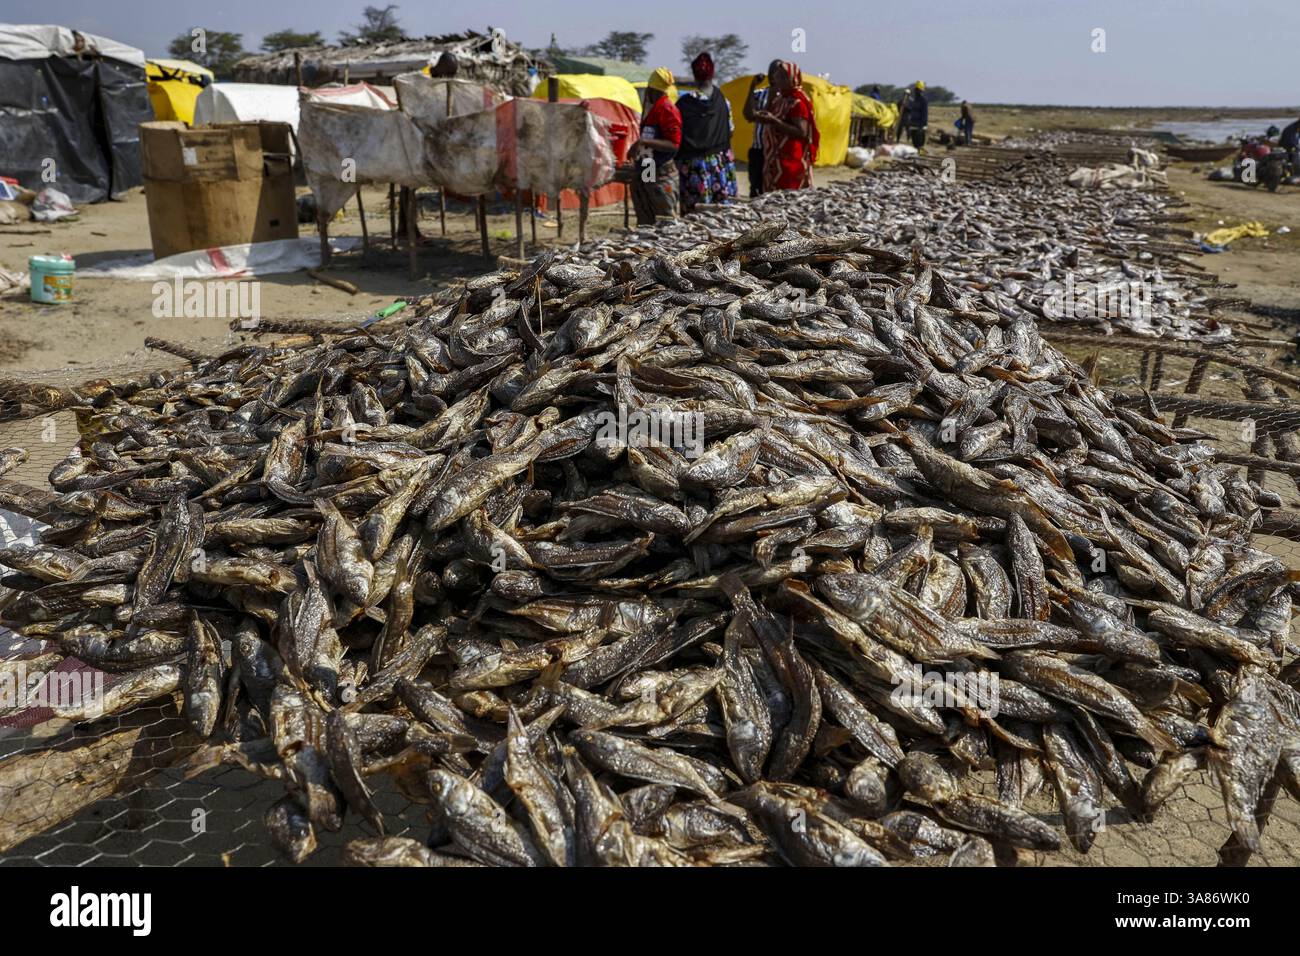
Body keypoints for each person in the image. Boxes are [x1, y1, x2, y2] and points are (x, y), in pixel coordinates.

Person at [676, 52, 738, 213]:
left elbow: (676, 135)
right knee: (723, 215)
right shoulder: (723, 100)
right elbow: (730, 130)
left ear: (695, 76)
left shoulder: (683, 103)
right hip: (720, 164)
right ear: (713, 74)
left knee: (696, 218)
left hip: (693, 166)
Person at [753, 60, 819, 192]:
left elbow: (801, 132)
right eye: (777, 77)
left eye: (783, 77)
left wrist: (775, 121)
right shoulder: (779, 99)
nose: (778, 80)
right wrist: (770, 101)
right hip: (775, 161)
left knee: (789, 197)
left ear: (793, 79)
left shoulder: (798, 102)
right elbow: (768, 116)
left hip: (790, 162)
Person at [628, 67, 682, 225]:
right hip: (648, 166)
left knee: (664, 218)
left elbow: (673, 144)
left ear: (652, 89)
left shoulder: (667, 109)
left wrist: (642, 142)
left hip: (661, 170)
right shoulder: (654, 108)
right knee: (646, 210)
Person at [743, 60, 780, 198]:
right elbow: (748, 114)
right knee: (755, 189)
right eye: (772, 72)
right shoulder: (761, 94)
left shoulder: (785, 97)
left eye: (778, 73)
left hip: (776, 152)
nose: (774, 76)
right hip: (758, 150)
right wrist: (752, 86)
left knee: (772, 191)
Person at [907, 81, 929, 150]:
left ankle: (920, 156)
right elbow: (912, 111)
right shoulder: (914, 100)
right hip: (913, 126)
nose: (917, 92)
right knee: (915, 144)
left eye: (918, 90)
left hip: (920, 127)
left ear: (921, 91)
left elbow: (924, 114)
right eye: (916, 90)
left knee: (920, 145)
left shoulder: (923, 101)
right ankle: (916, 156)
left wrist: (922, 126)